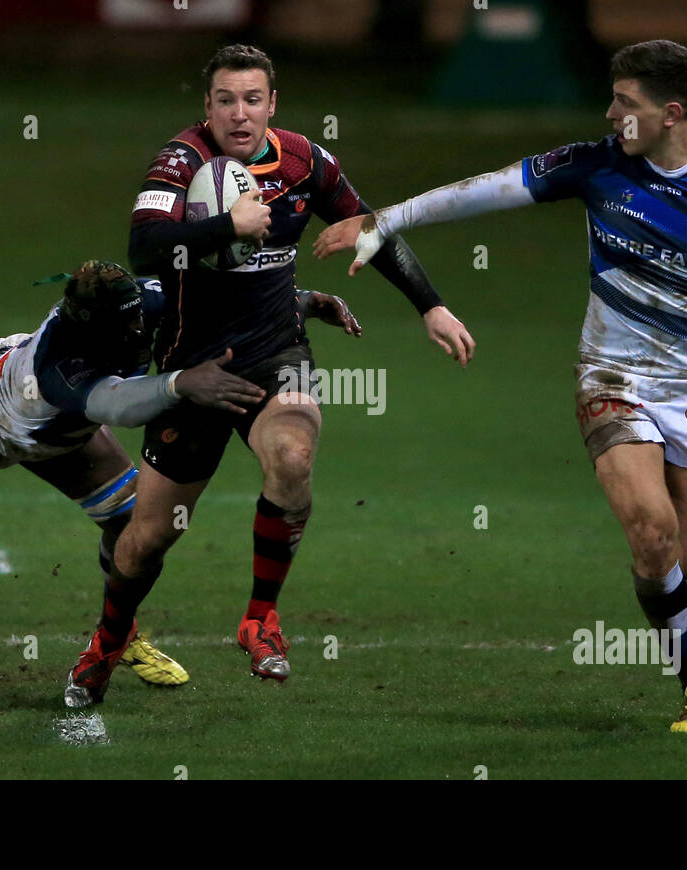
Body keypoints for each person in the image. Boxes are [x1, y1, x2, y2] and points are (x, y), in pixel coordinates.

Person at [314, 40, 687, 732]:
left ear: (672, 113)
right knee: (651, 529)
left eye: (627, 104)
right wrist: (384, 219)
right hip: (610, 377)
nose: (611, 114)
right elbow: (488, 188)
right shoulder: (595, 164)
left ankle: (660, 572)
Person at [0, 259, 361, 707]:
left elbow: (215, 301)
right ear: (96, 330)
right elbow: (122, 404)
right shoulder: (64, 364)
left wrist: (305, 302)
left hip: (58, 434)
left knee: (134, 523)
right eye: (129, 324)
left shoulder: (131, 305)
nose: (141, 327)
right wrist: (186, 382)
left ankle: (118, 631)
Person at [122, 43, 476, 681]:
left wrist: (431, 306)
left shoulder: (304, 161)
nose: (239, 113)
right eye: (225, 100)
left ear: (272, 104)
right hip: (193, 368)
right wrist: (226, 227)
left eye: (252, 99)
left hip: (275, 351)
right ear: (207, 107)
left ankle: (260, 619)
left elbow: (369, 227)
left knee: (293, 459)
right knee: (150, 536)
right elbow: (145, 248)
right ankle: (107, 642)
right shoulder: (181, 161)